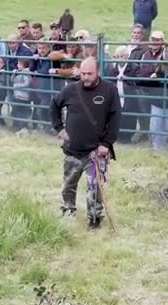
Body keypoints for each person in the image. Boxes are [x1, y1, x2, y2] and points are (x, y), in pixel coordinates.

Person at [48, 56, 121, 229]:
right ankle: (67, 211)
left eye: (90, 73)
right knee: (68, 184)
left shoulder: (109, 90)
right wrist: (59, 128)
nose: (86, 77)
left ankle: (94, 219)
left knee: (95, 187)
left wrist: (106, 143)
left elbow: (115, 118)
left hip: (96, 151)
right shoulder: (71, 89)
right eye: (83, 73)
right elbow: (54, 105)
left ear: (98, 72)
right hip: (73, 149)